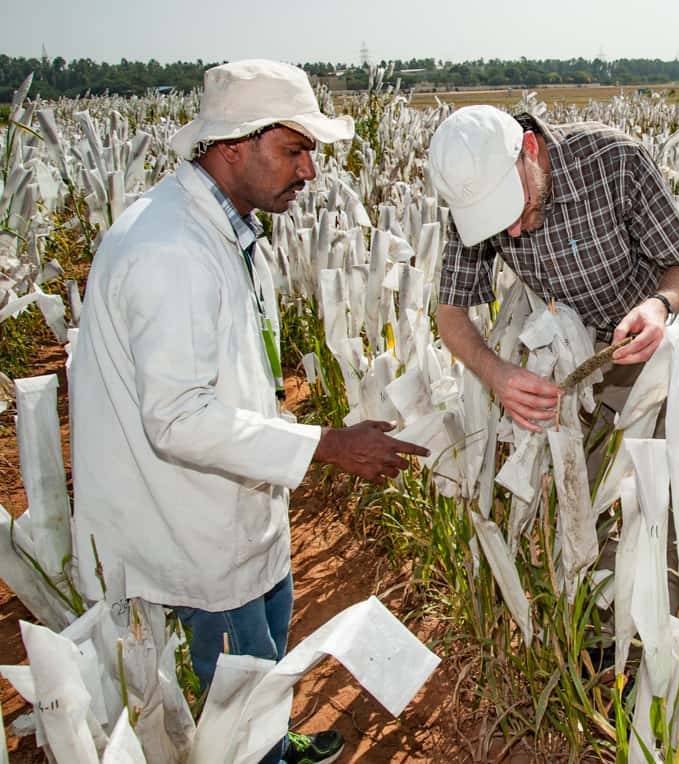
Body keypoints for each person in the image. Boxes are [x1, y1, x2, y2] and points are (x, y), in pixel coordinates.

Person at [69, 59, 428, 764]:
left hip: (234, 498)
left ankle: (270, 744)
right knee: (236, 672)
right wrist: (325, 445)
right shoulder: (169, 249)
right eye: (294, 150)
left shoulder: (221, 229)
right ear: (234, 145)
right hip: (192, 518)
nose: (309, 171)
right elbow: (174, 417)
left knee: (260, 655)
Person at [425, 105, 679, 437]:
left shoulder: (614, 160)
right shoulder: (473, 203)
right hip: (568, 359)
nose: (511, 232)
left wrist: (659, 305)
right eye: (494, 222)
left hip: (648, 344)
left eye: (516, 206)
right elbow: (450, 314)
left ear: (529, 148)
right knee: (586, 481)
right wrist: (496, 373)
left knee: (657, 474)